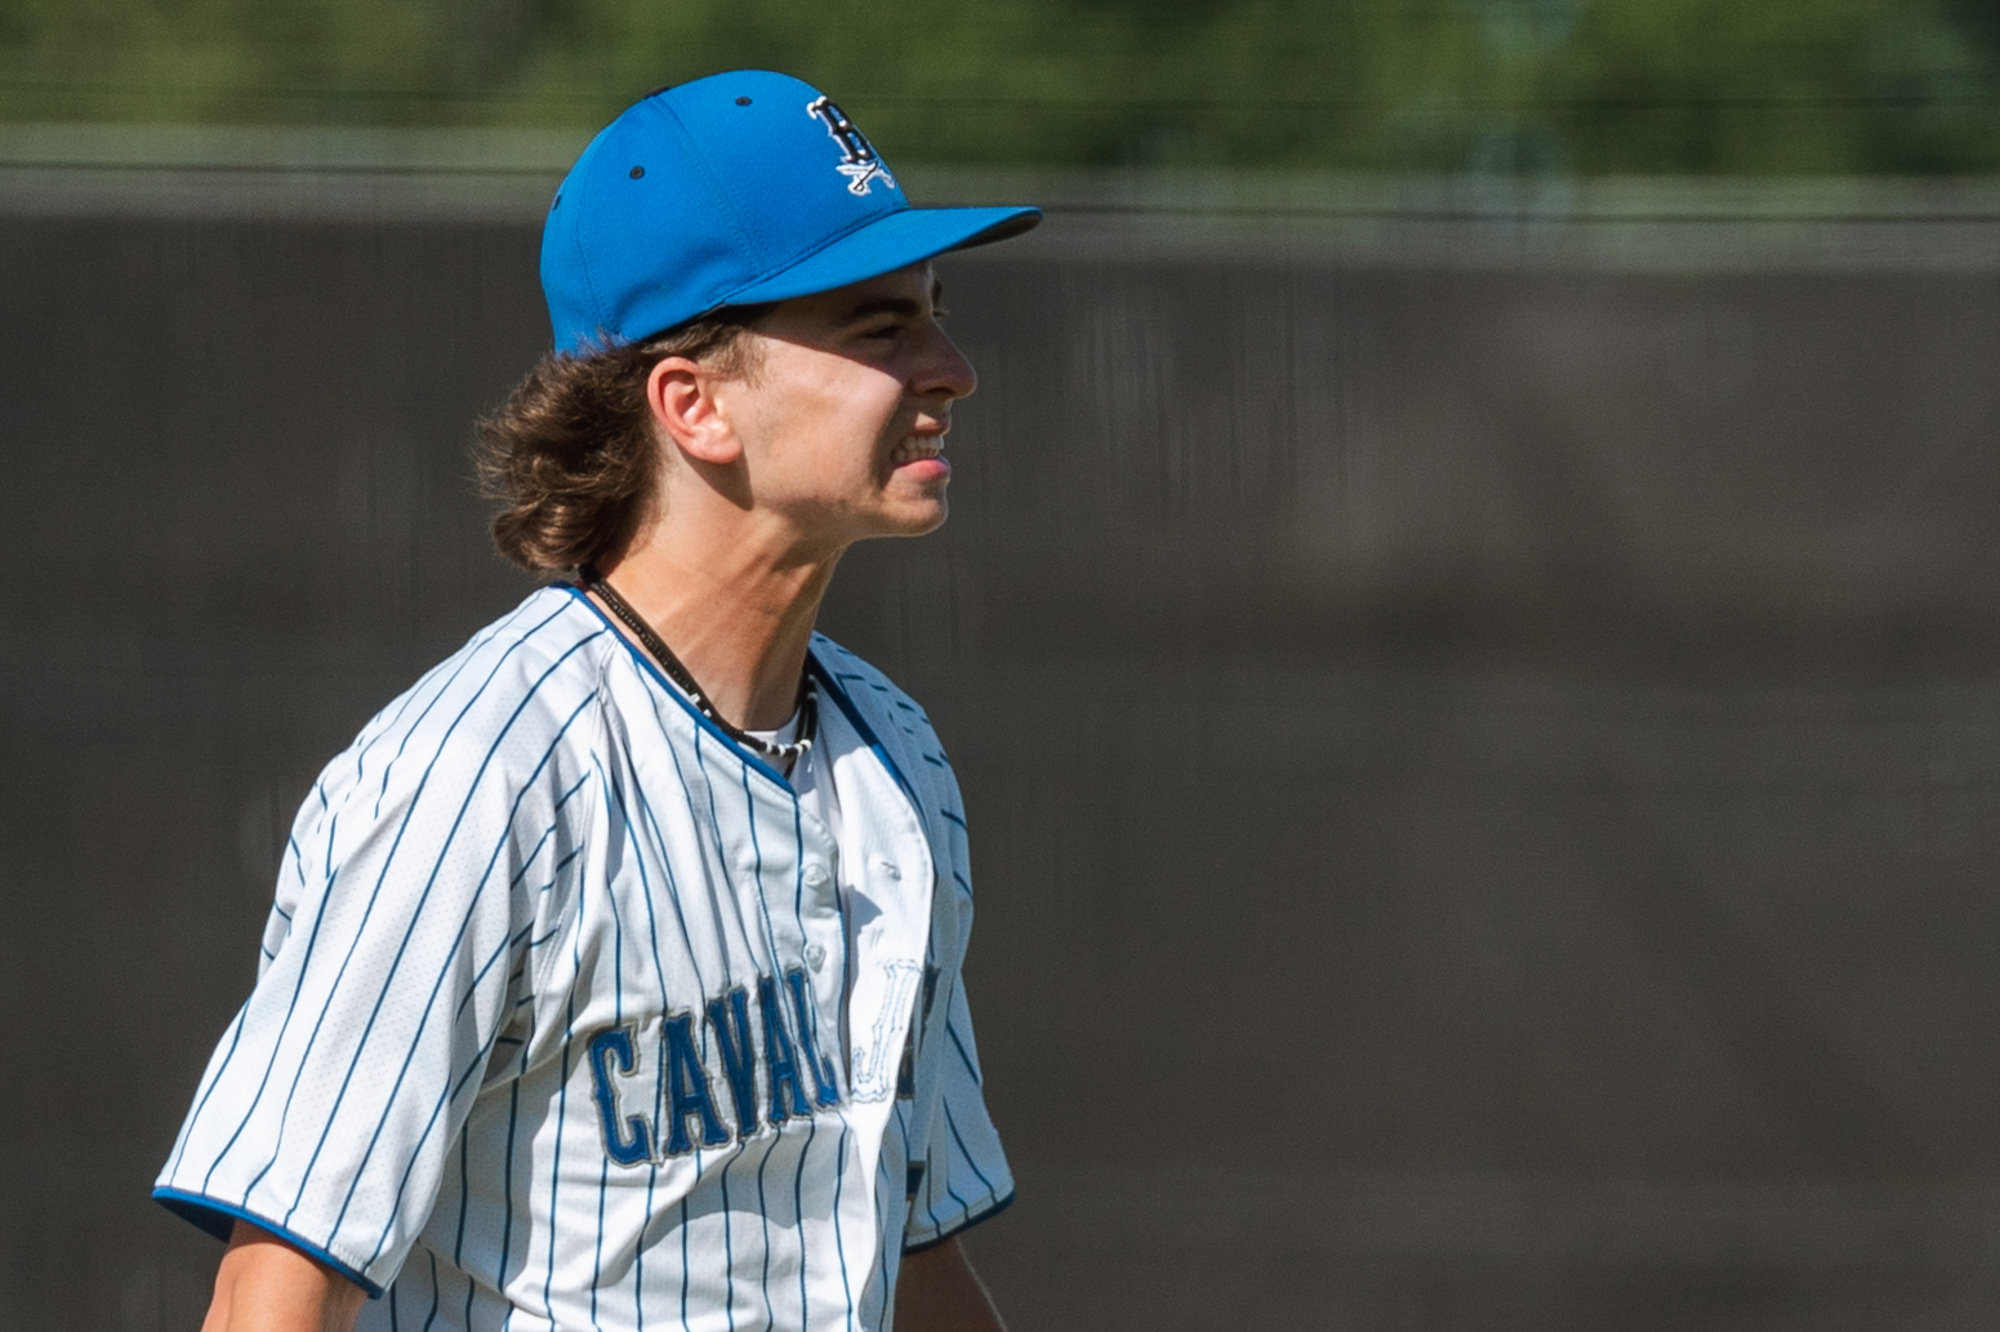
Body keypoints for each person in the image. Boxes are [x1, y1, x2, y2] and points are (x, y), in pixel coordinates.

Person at [153, 69, 1039, 1332]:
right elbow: (270, 1296)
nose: (951, 368)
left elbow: (903, 1243)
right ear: (694, 403)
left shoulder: (890, 759)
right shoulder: (478, 777)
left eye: (934, 314)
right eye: (879, 325)